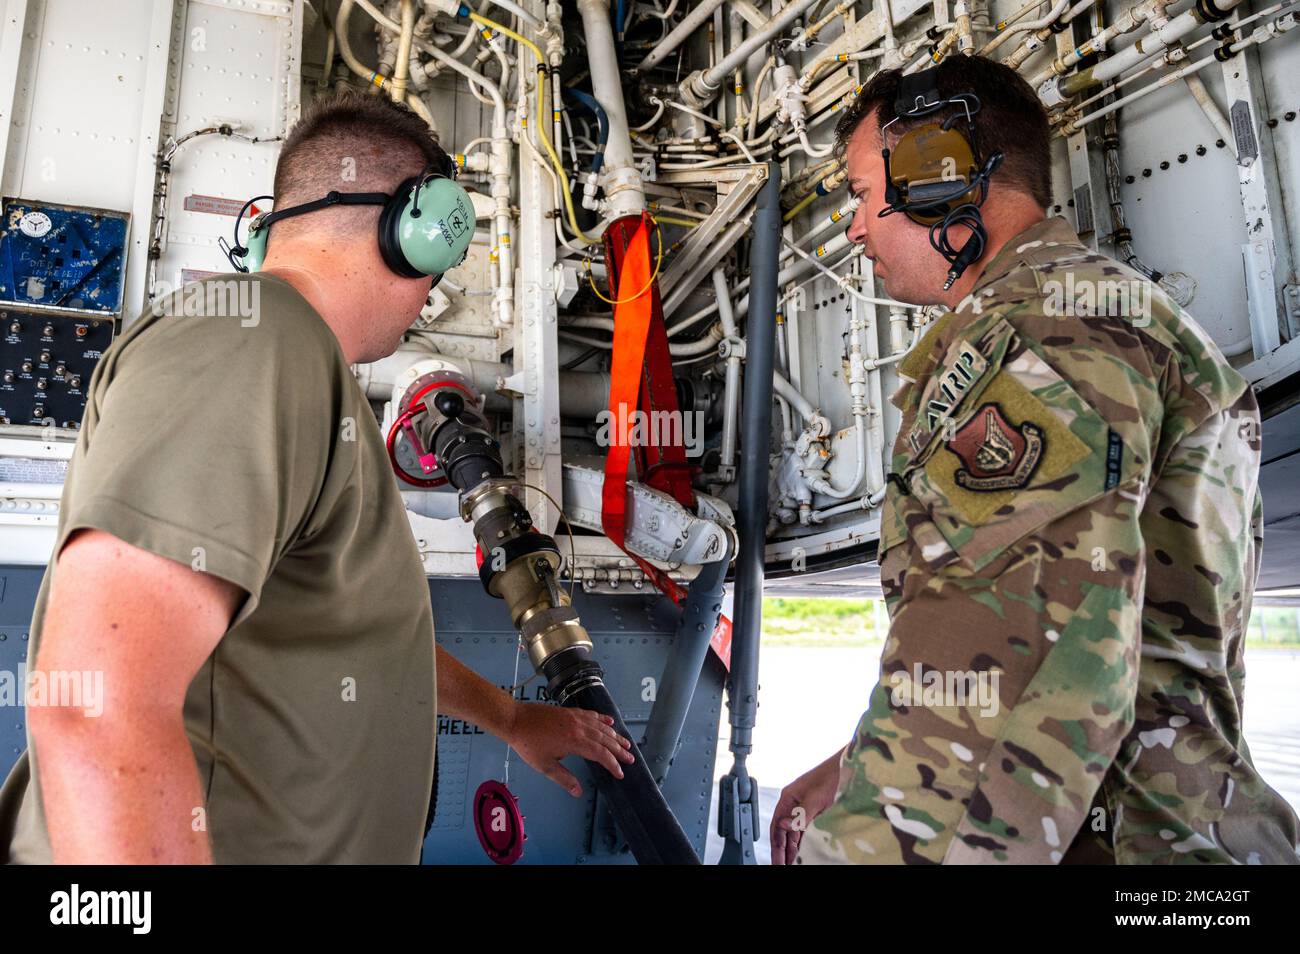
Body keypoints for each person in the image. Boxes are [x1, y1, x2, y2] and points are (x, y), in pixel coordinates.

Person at [0, 91, 632, 864]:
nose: (431, 296)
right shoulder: (252, 343)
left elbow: (338, 637)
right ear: (418, 230)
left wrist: (508, 718)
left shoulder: (288, 362)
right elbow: (98, 702)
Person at [773, 55, 1300, 864]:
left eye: (861, 192)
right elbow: (1098, 635)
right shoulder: (1102, 313)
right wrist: (857, 767)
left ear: (937, 172)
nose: (854, 226)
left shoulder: (1033, 339)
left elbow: (1015, 678)